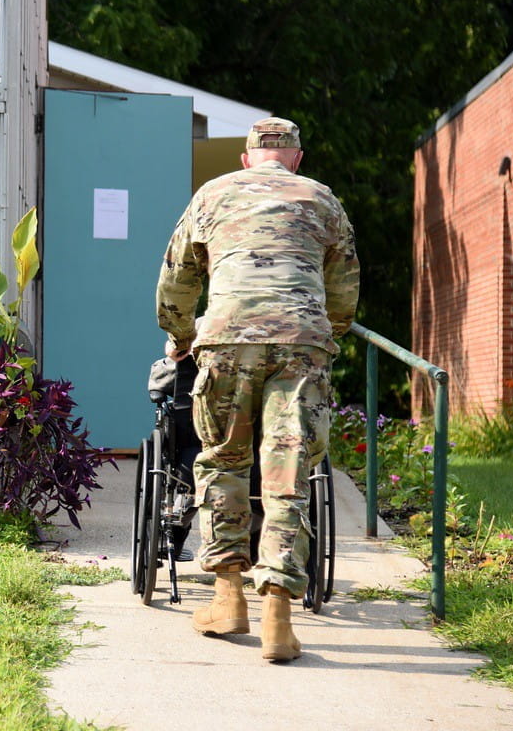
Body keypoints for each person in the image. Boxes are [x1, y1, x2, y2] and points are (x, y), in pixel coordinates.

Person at [155, 117, 359, 662]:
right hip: (301, 344)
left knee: (223, 461)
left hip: (226, 340)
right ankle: (278, 620)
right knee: (288, 475)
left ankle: (228, 600)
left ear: (247, 159)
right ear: (296, 158)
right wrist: (323, 334)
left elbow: (176, 280)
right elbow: (343, 292)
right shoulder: (322, 200)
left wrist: (181, 337)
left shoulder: (212, 195)